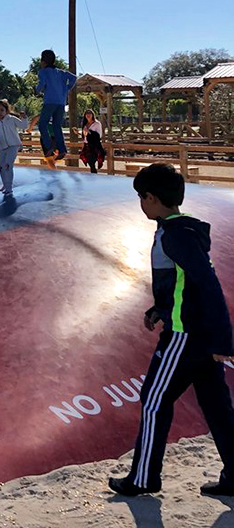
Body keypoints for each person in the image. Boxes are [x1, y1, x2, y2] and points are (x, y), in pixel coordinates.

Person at [108, 164, 234, 498]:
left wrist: (225, 339)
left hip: (184, 337)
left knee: (153, 399)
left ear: (151, 197)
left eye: (141, 197)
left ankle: (144, 477)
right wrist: (159, 308)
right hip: (198, 334)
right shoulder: (180, 230)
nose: (141, 203)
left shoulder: (174, 236)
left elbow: (208, 284)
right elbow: (183, 284)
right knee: (217, 406)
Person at [36, 49, 77, 162]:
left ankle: (49, 147)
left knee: (42, 125)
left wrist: (38, 90)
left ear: (43, 61)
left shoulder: (44, 71)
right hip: (61, 102)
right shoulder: (61, 72)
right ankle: (62, 149)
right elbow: (74, 78)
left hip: (49, 101)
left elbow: (42, 84)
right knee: (56, 126)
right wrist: (66, 89)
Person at [0, 100, 28, 196]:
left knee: (8, 164)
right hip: (1, 147)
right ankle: (4, 184)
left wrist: (24, 118)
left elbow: (23, 126)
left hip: (13, 145)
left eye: (1, 110)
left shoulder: (12, 119)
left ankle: (9, 187)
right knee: (0, 166)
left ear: (6, 110)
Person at [80, 109, 105, 174]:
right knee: (88, 161)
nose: (88, 115)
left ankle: (94, 175)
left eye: (89, 113)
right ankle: (94, 174)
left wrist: (89, 132)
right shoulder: (85, 124)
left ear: (92, 115)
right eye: (86, 113)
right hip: (86, 145)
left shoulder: (97, 123)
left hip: (94, 145)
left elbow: (99, 135)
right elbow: (84, 136)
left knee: (92, 161)